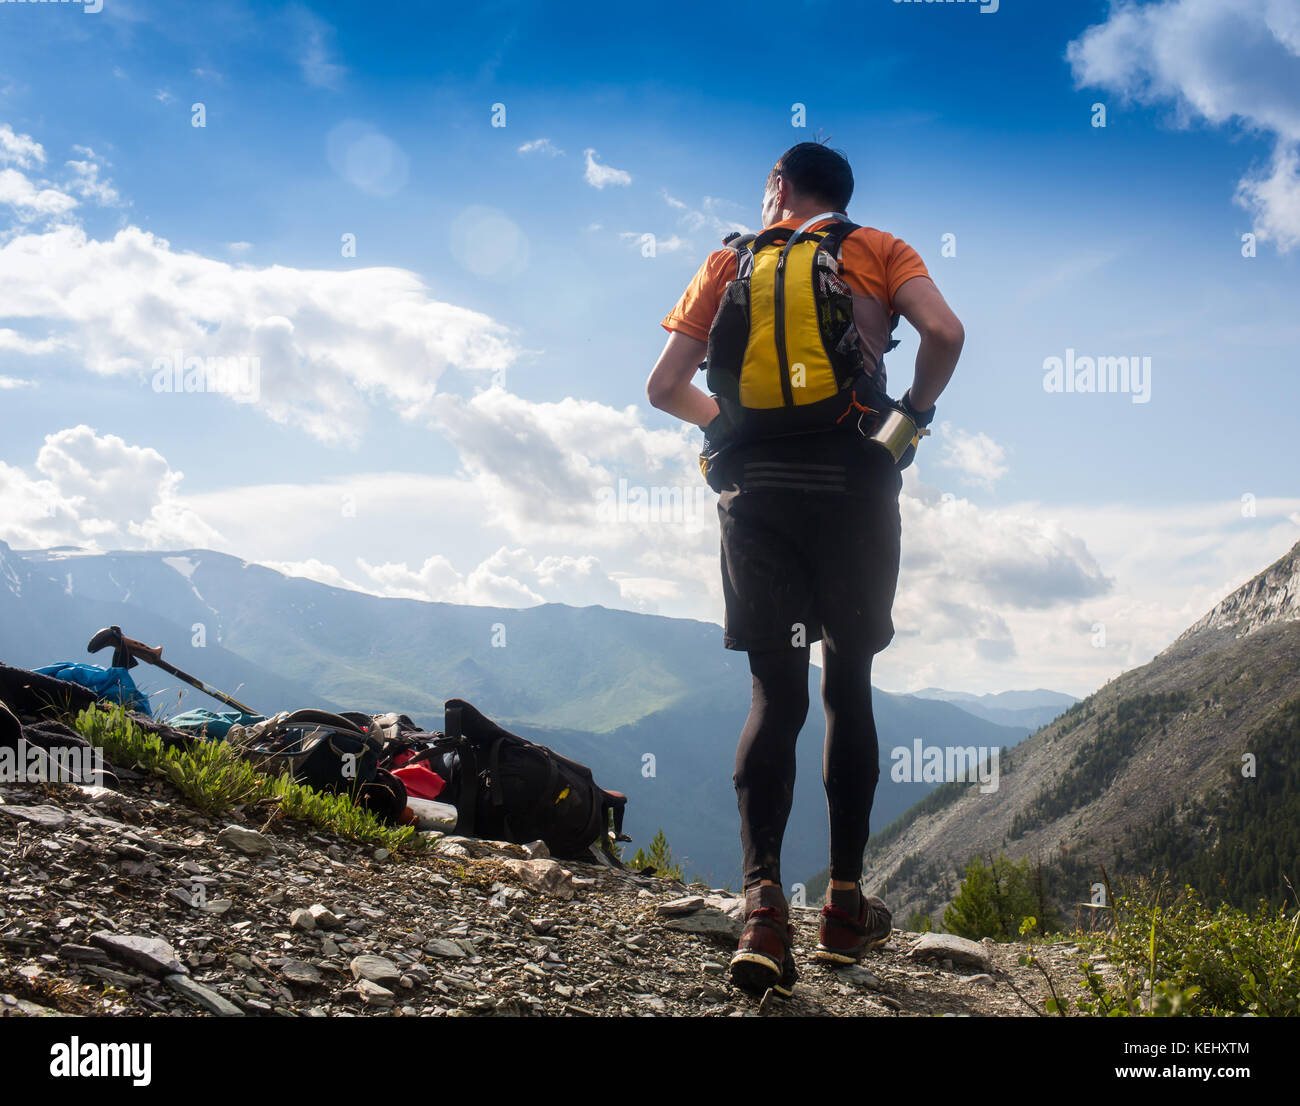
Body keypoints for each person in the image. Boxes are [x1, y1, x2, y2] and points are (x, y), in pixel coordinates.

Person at [646, 142, 964, 996]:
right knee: (845, 687)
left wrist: (735, 430)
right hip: (853, 484)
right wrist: (911, 420)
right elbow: (945, 333)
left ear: (778, 188)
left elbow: (665, 386)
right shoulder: (880, 249)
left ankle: (760, 913)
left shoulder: (729, 260)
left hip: (758, 495)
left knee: (772, 695)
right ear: (841, 195)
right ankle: (845, 907)